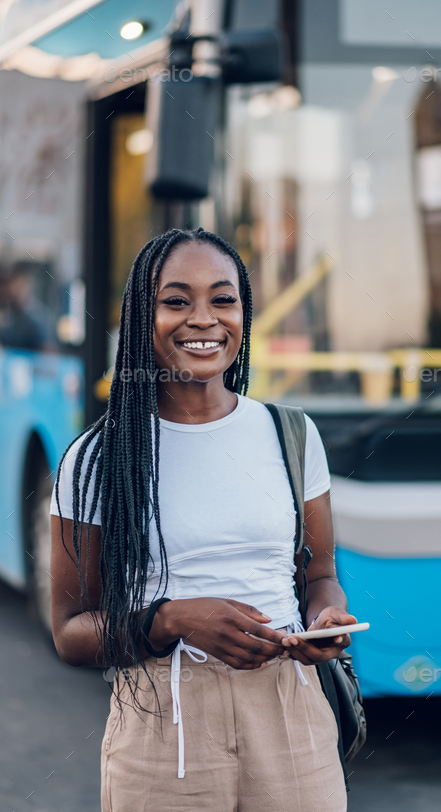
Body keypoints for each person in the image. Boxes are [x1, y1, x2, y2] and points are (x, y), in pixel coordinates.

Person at [50, 228, 355, 812]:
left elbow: (319, 576)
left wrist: (324, 620)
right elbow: (70, 633)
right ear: (144, 317)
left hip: (290, 712)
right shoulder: (97, 458)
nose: (203, 319)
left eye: (222, 299)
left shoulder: (291, 434)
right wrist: (172, 620)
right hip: (163, 724)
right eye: (175, 301)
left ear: (243, 313)